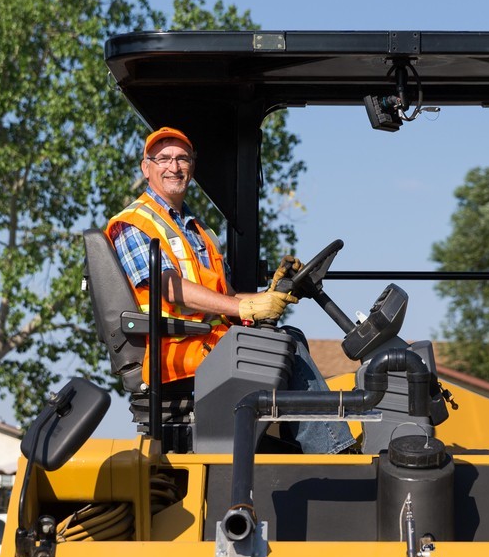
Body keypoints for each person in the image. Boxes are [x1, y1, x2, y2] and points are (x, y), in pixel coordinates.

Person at [106, 126, 356, 455]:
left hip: (211, 345)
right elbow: (167, 288)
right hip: (177, 354)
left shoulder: (197, 230)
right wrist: (245, 310)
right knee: (287, 345)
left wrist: (270, 296)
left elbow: (227, 298)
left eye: (182, 158)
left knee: (290, 336)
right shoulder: (134, 224)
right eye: (163, 158)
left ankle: (310, 450)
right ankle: (335, 453)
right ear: (146, 167)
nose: (174, 166)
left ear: (192, 167)